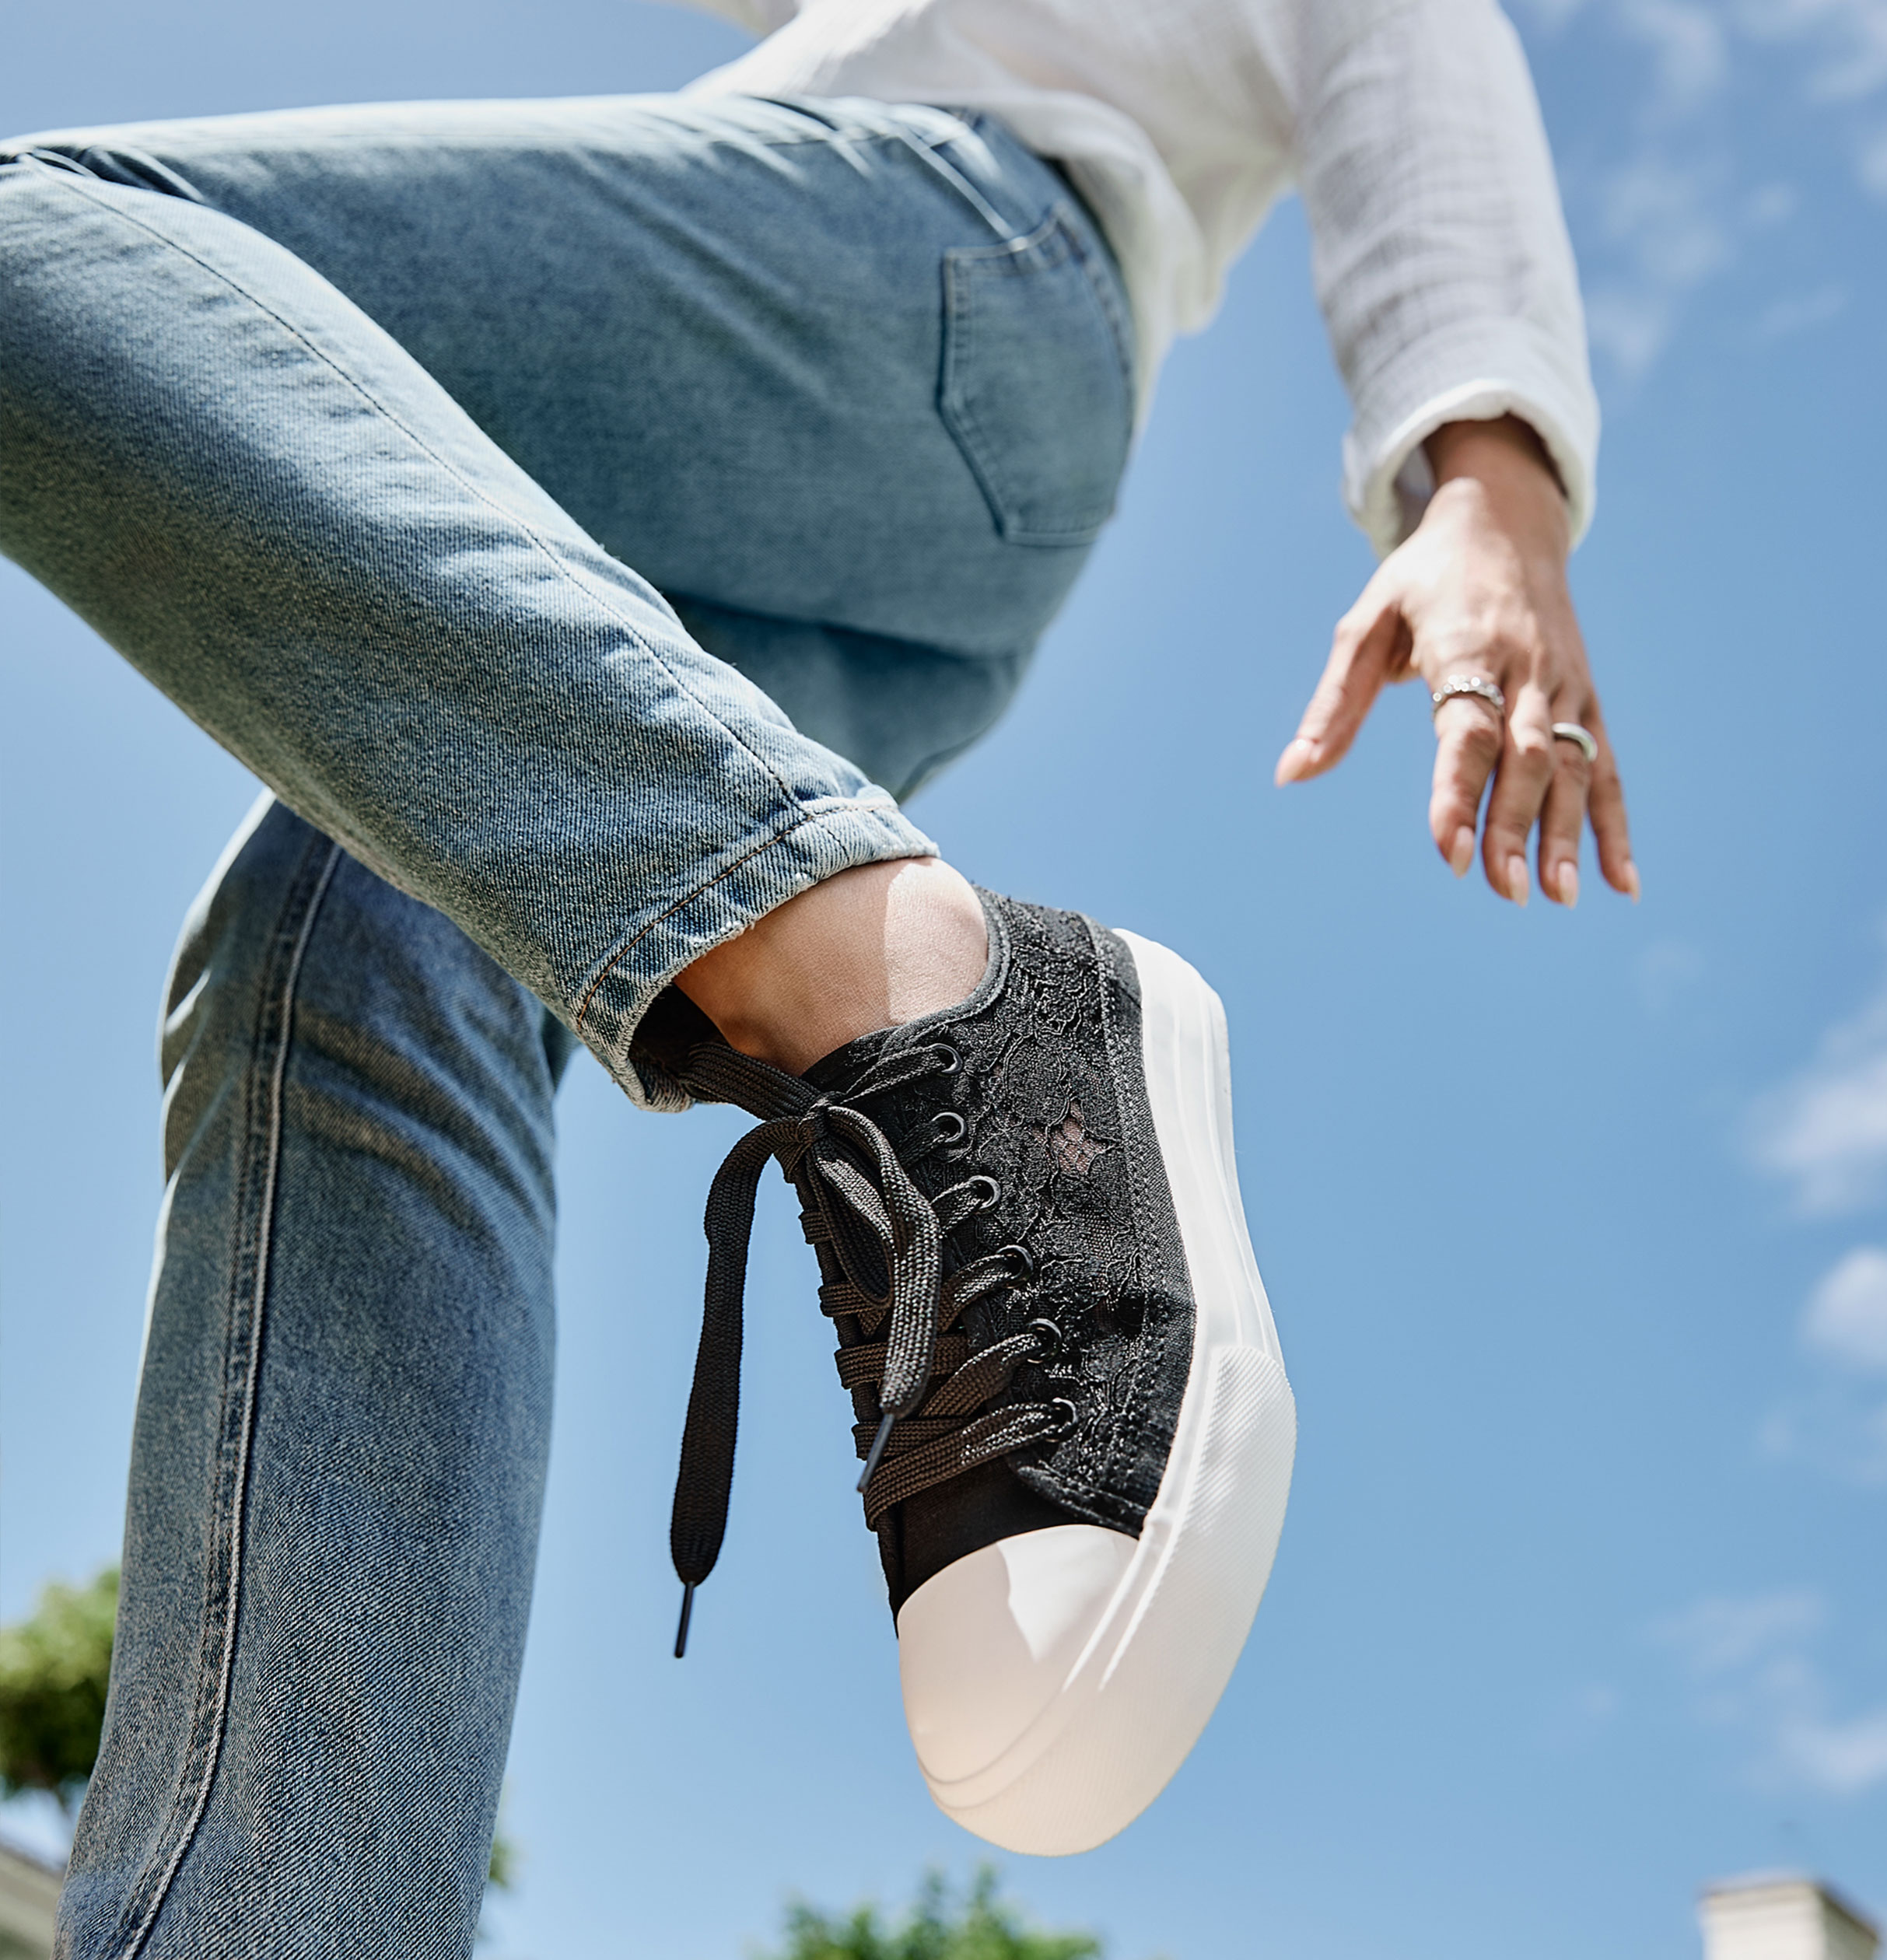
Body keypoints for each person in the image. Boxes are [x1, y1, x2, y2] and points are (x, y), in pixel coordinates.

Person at [1, 0, 1634, 1948]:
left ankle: (919, 995)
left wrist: (1491, 470)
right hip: (900, 459)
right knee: (350, 944)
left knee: (37, 240)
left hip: (939, 261)